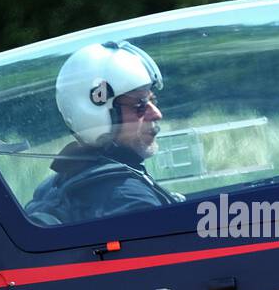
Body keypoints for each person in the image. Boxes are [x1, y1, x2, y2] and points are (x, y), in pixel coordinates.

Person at [25, 41, 184, 225]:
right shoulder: (130, 200)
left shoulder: (54, 185)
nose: (156, 113)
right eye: (140, 105)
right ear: (97, 114)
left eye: (152, 101)